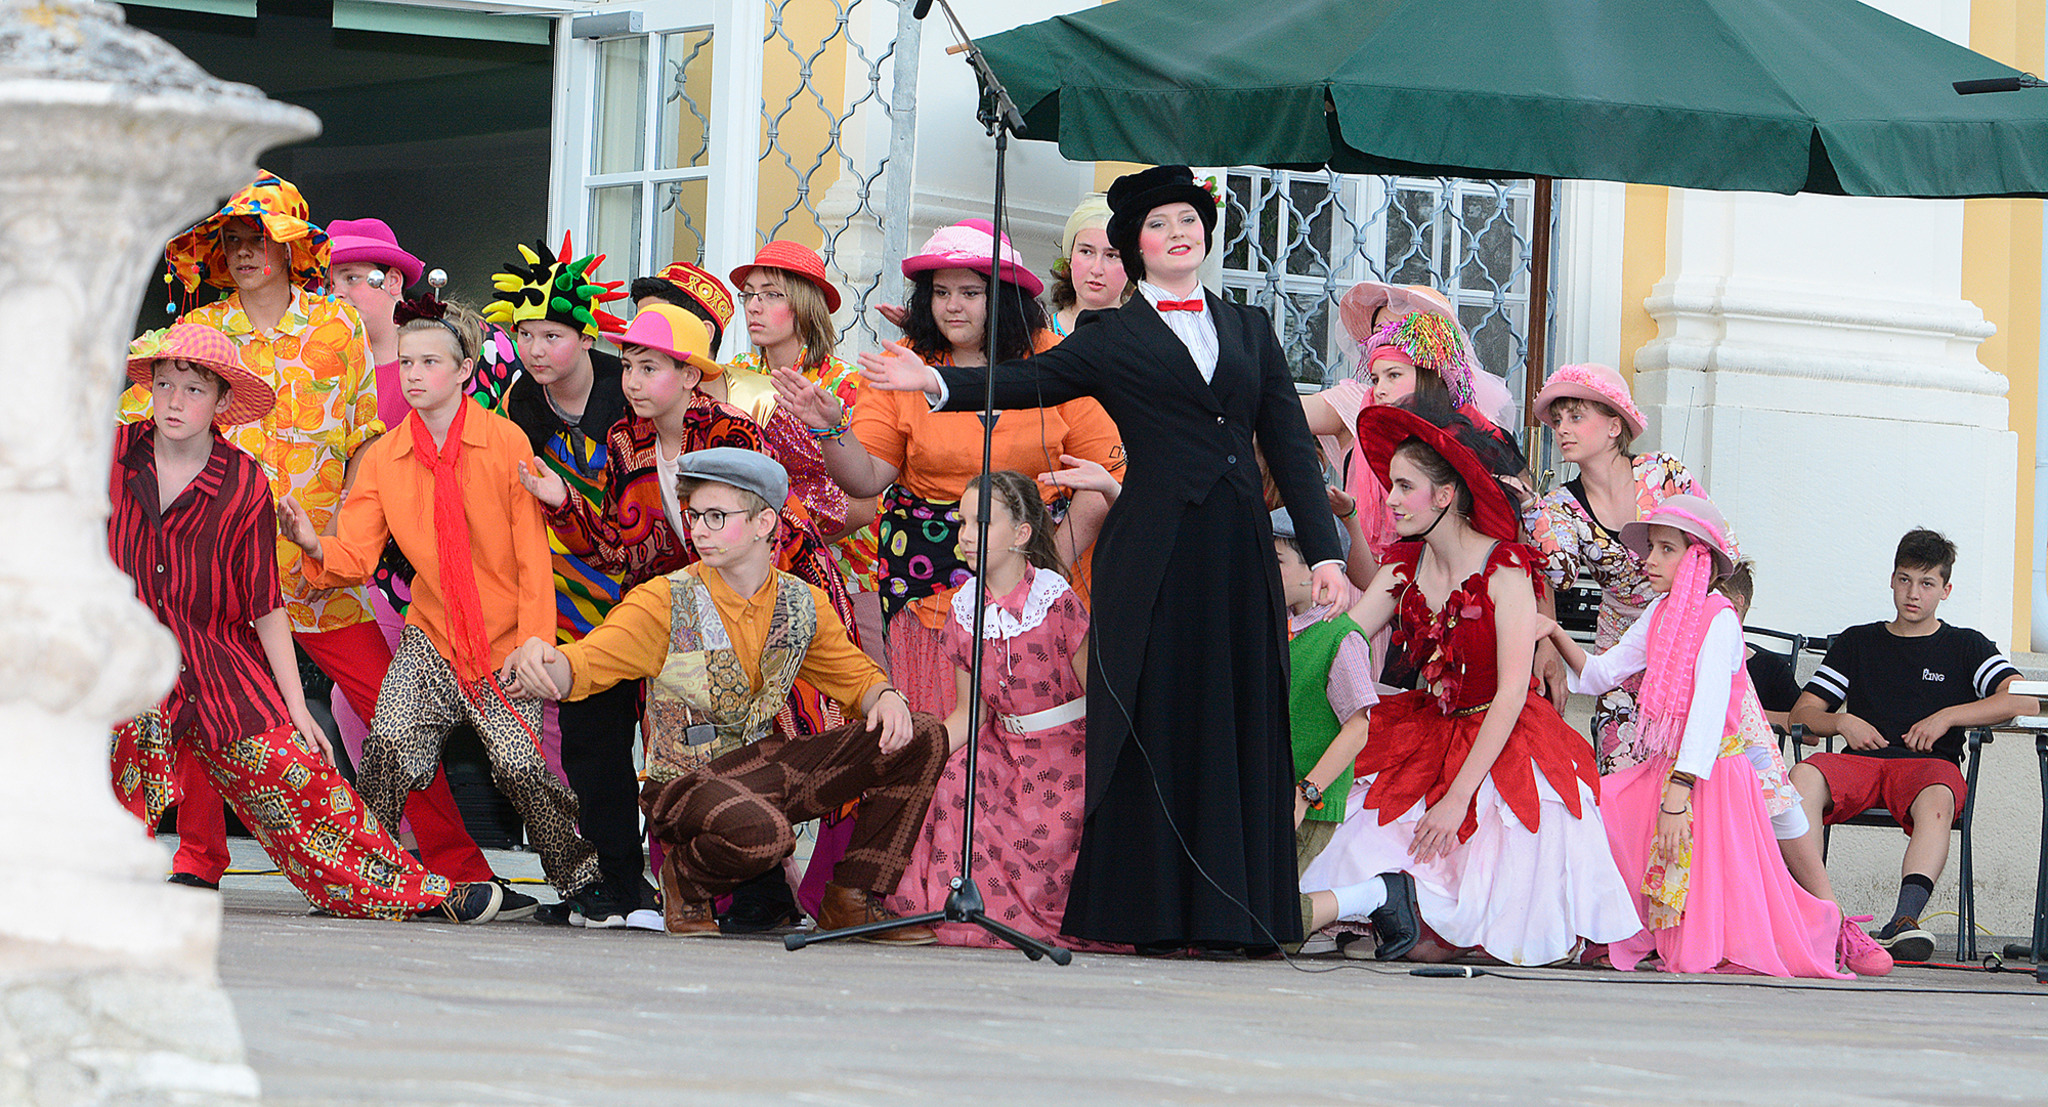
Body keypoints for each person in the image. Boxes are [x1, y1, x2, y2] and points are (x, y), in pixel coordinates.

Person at [860, 166, 1346, 953]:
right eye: (1158, 225)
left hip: (1237, 553)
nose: (1178, 234)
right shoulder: (1108, 337)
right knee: (1155, 720)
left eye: (1188, 220)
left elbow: (1291, 447)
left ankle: (1235, 915)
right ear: (1134, 246)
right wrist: (939, 383)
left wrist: (1323, 552)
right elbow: (1029, 380)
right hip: (1150, 550)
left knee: (1237, 714)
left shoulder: (1252, 328)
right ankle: (1150, 914)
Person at [131, 172, 515, 908]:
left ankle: (460, 862)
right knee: (205, 714)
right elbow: (147, 420)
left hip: (317, 570)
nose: (245, 252)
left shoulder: (335, 326)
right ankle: (199, 858)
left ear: (290, 248)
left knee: (393, 713)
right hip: (220, 572)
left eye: (260, 239)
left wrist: (347, 533)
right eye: (233, 241)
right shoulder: (201, 332)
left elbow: (368, 443)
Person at [500, 449, 947, 942]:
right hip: (684, 783)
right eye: (694, 516)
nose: (700, 530)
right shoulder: (664, 599)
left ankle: (852, 898)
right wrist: (544, 661)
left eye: (717, 516)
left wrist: (884, 696)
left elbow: (855, 677)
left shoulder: (803, 602)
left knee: (921, 734)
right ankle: (683, 883)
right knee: (766, 832)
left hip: (766, 770)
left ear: (765, 523)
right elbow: (585, 664)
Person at [519, 301, 855, 925]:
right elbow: (624, 547)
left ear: (692, 376)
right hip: (684, 608)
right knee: (670, 736)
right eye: (628, 368)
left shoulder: (731, 430)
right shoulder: (627, 439)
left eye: (650, 369)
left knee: (774, 735)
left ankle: (786, 893)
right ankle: (677, 888)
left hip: (772, 592)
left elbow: (765, 535)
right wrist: (564, 502)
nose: (633, 383)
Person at [278, 298, 603, 901]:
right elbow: (357, 556)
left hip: (506, 635)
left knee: (522, 770)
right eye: (406, 363)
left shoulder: (505, 441)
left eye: (430, 361)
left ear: (463, 369)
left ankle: (581, 883)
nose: (414, 375)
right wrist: (312, 545)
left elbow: (534, 555)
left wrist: (536, 641)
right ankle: (370, 876)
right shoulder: (383, 458)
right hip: (432, 632)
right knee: (386, 756)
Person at [1298, 406, 1638, 964]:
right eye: (1392, 486)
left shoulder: (1505, 568)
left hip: (1503, 738)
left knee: (1500, 913)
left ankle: (1401, 911)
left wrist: (1457, 799)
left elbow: (1510, 694)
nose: (1392, 499)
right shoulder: (1405, 565)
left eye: (1405, 486)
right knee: (1363, 832)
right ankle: (1381, 906)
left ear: (1445, 495)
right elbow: (1344, 640)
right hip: (1427, 729)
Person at [773, 219, 1120, 719]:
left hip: (1041, 575)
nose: (952, 305)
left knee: (1029, 736)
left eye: (970, 292)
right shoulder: (906, 362)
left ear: (1002, 297)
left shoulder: (1053, 357)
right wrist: (830, 427)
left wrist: (1044, 569)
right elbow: (866, 478)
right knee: (940, 733)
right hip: (925, 580)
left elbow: (1098, 482)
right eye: (940, 292)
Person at [1542, 494, 1873, 977]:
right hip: (1671, 769)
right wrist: (1550, 630)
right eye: (1651, 548)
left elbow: (1707, 711)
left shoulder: (1718, 619)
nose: (1649, 560)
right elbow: (1598, 675)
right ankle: (1618, 928)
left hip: (1708, 774)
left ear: (1698, 557)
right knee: (1600, 806)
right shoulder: (1660, 612)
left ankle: (1824, 926)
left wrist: (1678, 796)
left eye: (1665, 550)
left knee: (1719, 884)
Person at [484, 235, 650, 929]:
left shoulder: (628, 389)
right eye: (525, 334)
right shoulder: (522, 402)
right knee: (590, 745)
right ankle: (616, 884)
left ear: (585, 337)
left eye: (551, 333)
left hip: (648, 579)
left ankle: (714, 887)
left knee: (681, 738)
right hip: (578, 598)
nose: (536, 348)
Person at [1788, 528, 2035, 963]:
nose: (1912, 594)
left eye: (1926, 583)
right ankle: (1823, 911)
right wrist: (1842, 720)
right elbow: (1801, 715)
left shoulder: (1964, 645)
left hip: (1928, 768)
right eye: (1904, 580)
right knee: (1801, 776)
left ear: (1946, 589)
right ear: (1891, 579)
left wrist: (1949, 716)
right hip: (1861, 762)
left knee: (1939, 797)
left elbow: (2023, 698)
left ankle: (1903, 921)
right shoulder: (1857, 641)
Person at [883, 472, 1096, 949]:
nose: (965, 536)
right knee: (954, 776)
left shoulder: (1055, 599)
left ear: (1022, 534)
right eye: (961, 523)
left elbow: (1100, 697)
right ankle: (963, 907)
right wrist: (921, 752)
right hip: (1003, 747)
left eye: (981, 523)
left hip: (1067, 755)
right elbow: (969, 714)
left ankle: (1037, 912)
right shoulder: (964, 609)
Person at [1523, 362, 1707, 774]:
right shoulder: (1558, 505)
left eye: (1576, 417)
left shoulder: (1663, 472)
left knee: (1694, 773)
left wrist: (1721, 628)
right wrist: (1531, 513)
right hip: (1619, 647)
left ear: (1613, 426)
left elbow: (1717, 544)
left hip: (1686, 635)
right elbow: (1559, 575)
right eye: (1557, 420)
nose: (1562, 429)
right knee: (1622, 770)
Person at [722, 243, 882, 661]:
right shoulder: (736, 374)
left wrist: (788, 542)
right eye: (749, 294)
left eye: (772, 294)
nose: (754, 306)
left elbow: (866, 503)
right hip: (753, 577)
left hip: (847, 575)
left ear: (804, 305)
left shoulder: (846, 385)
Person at [1270, 508, 1375, 953]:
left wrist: (1305, 792)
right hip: (1279, 794)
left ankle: (1375, 899)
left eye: (1276, 560)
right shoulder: (1279, 628)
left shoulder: (1341, 637)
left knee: (1270, 925)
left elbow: (1357, 729)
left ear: (1317, 570)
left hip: (1308, 802)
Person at [1718, 563, 1801, 731]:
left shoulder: (1771, 668)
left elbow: (1806, 731)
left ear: (1737, 603)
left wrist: (1741, 713)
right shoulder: (1686, 661)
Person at [1046, 193, 1129, 337]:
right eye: (1086, 252)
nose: (1097, 269)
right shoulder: (1037, 336)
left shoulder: (1144, 342)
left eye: (1111, 255)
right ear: (1070, 257)